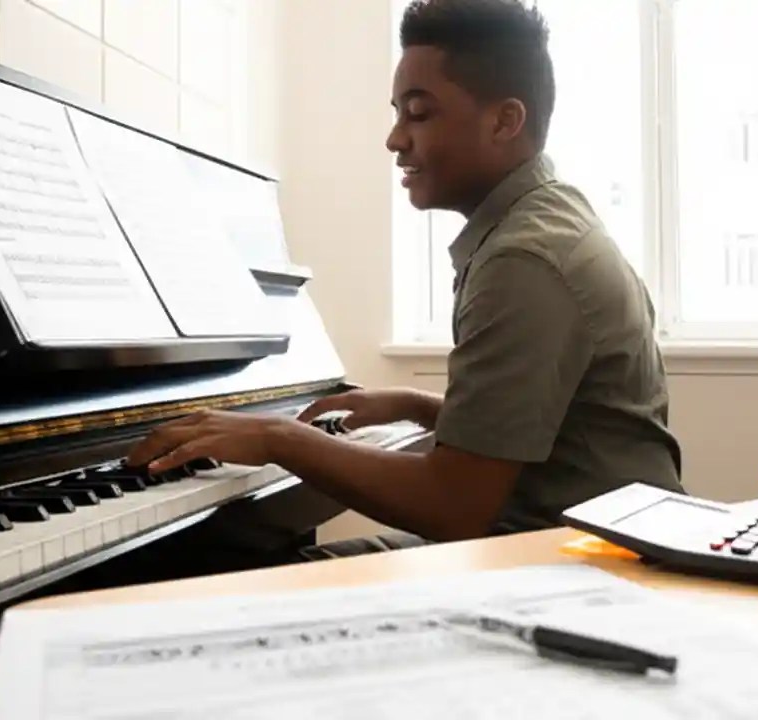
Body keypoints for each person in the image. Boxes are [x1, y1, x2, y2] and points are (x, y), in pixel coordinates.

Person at [125, 0, 683, 556]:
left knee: (262, 586)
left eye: (418, 114)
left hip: (577, 572)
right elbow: (555, 433)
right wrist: (421, 405)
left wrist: (279, 437)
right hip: (561, 544)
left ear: (504, 121)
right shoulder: (546, 219)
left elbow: (454, 506)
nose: (395, 139)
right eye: (398, 114)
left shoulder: (524, 260)